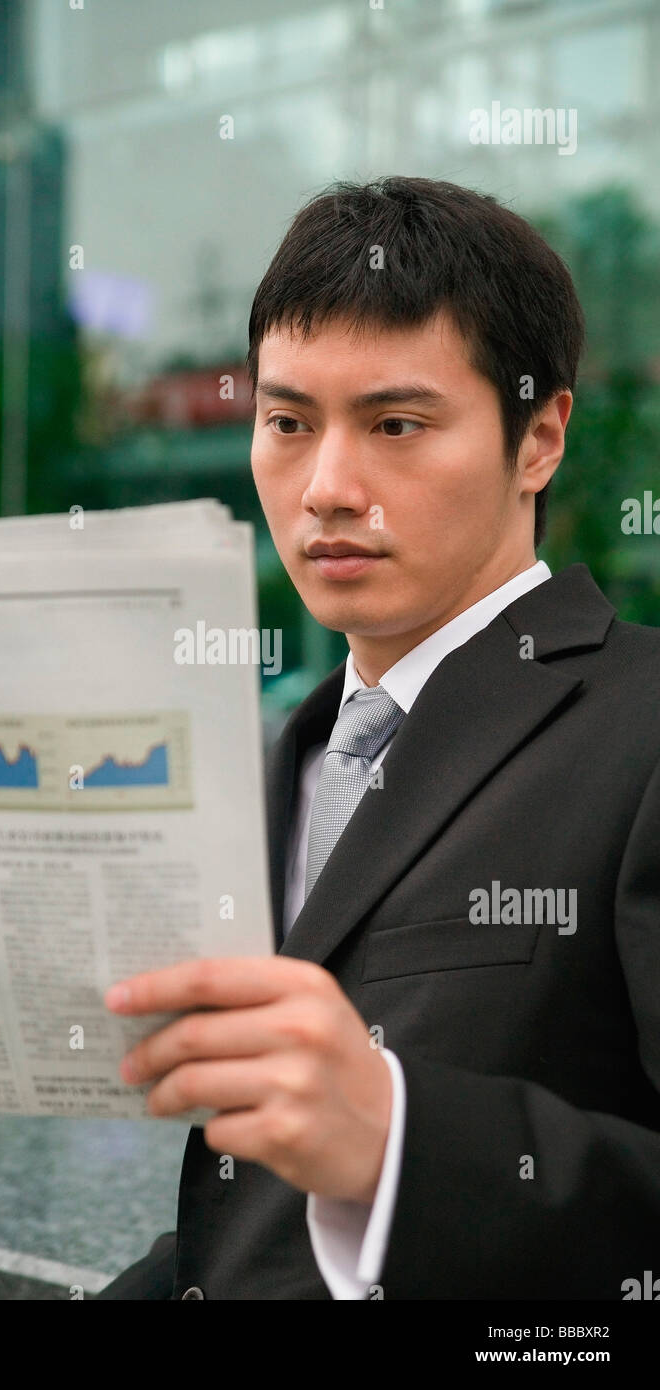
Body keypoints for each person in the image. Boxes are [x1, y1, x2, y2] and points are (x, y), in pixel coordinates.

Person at [96, 176, 660, 1299]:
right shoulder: (278, 758)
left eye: (396, 424)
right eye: (288, 423)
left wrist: (402, 1139)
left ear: (539, 435)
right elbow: (246, 1226)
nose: (329, 488)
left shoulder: (641, 728)